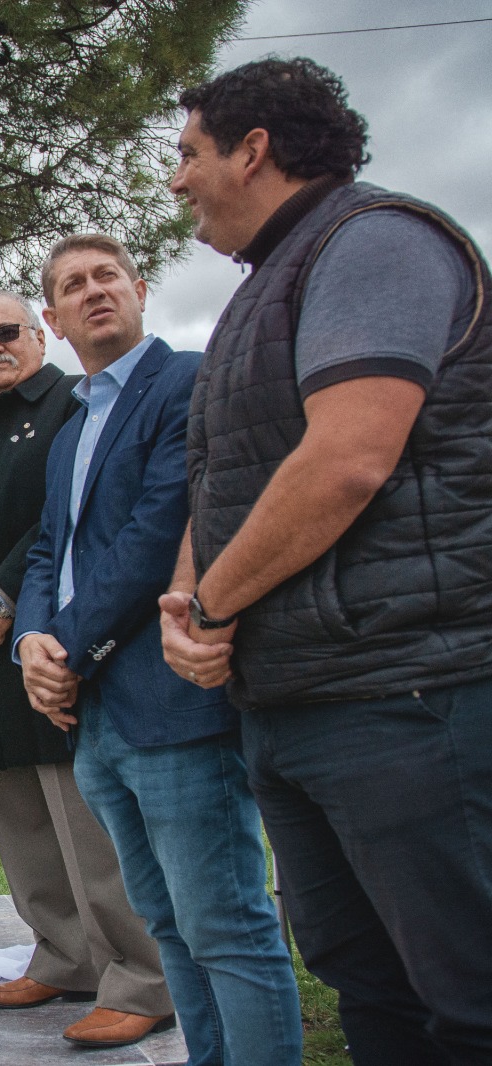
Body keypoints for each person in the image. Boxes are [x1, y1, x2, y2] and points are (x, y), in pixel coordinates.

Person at [163, 58, 492, 1065]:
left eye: (186, 154)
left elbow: (345, 458)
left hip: (407, 696)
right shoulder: (262, 289)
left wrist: (213, 608)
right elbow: (223, 475)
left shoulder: (375, 242)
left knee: (467, 999)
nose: (175, 182)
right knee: (369, 991)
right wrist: (186, 593)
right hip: (297, 705)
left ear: (252, 149)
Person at [14, 234, 301, 1065]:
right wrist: (31, 640)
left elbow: (155, 537)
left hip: (172, 705)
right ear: (54, 318)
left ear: (140, 290)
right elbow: (48, 552)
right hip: (97, 722)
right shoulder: (73, 427)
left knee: (227, 927)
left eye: (108, 276)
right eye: (74, 284)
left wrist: (64, 650)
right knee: (169, 926)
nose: (94, 291)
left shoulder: (187, 383)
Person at [0, 291, 170, 1046]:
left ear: (39, 334)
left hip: (47, 641)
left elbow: (57, 521)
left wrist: (1, 599)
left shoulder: (70, 405)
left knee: (86, 825)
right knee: (24, 824)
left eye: (5, 333)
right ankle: (64, 959)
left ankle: (143, 979)